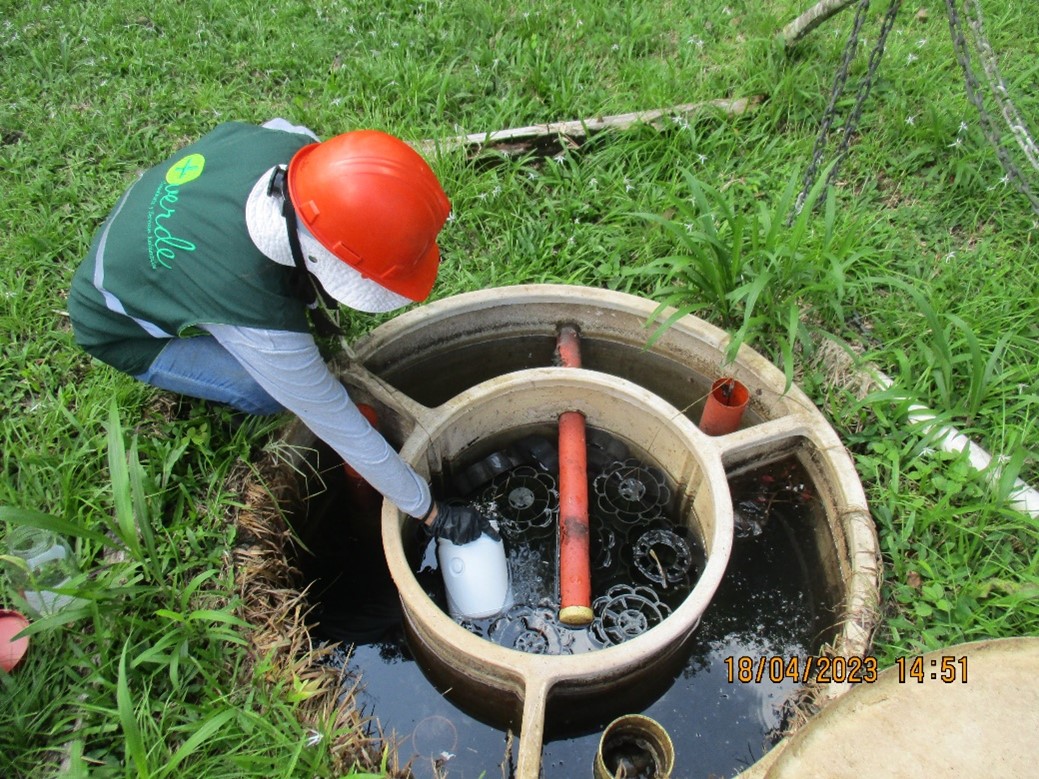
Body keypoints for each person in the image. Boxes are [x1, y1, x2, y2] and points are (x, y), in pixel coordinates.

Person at [67, 119, 495, 545]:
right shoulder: (248, 303)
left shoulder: (300, 154)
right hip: (117, 322)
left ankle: (194, 307)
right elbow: (333, 419)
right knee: (266, 391)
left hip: (154, 229)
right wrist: (430, 511)